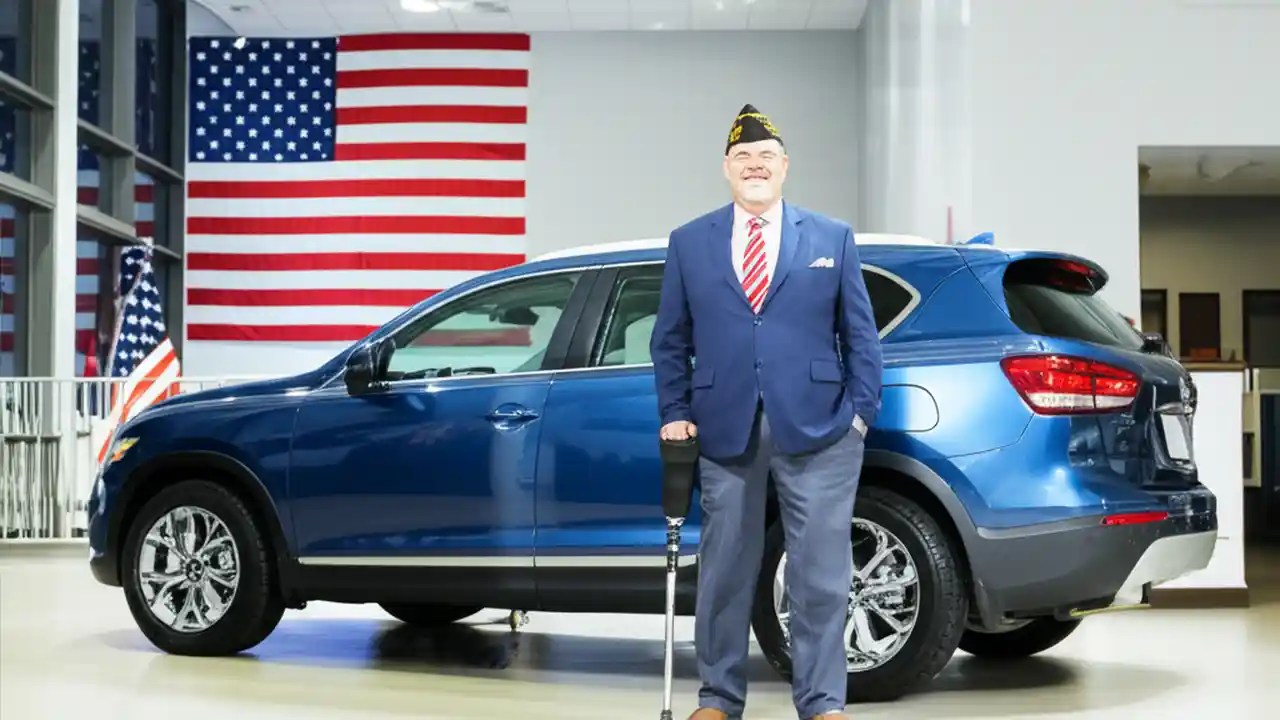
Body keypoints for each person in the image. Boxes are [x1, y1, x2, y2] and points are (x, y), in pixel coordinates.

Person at [650, 104, 883, 720]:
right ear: (727, 169)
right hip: (724, 430)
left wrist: (860, 415)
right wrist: (674, 409)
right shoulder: (689, 241)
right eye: (743, 159)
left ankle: (823, 702)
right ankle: (718, 698)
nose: (755, 167)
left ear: (785, 167)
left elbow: (861, 334)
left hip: (823, 430)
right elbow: (670, 339)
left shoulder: (831, 237)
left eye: (766, 159)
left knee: (821, 578)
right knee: (724, 573)